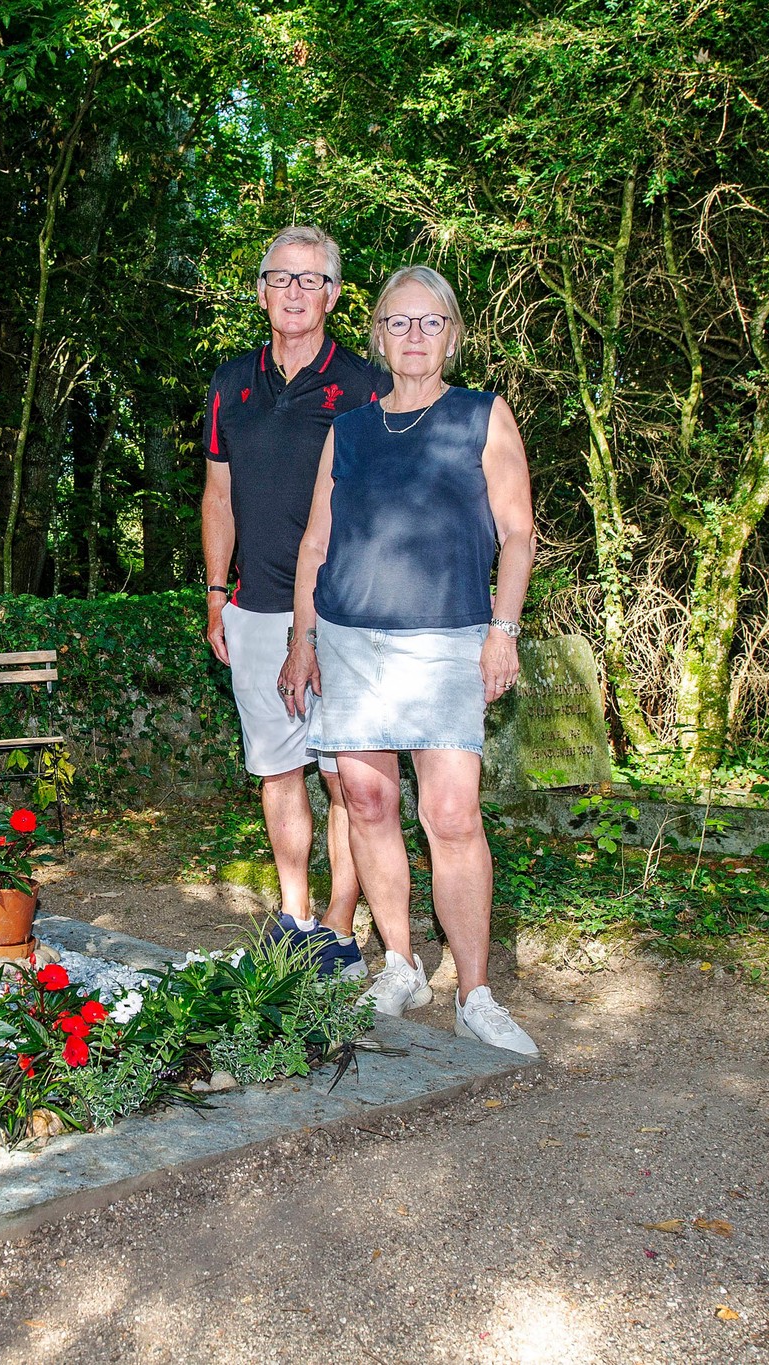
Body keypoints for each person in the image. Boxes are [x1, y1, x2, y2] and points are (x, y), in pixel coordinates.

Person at [276, 264, 539, 1054]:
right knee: (366, 804)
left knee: (452, 814)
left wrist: (504, 629)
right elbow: (316, 542)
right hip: (350, 641)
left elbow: (519, 534)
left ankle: (477, 992)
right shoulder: (347, 430)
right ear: (379, 336)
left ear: (451, 335)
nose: (414, 336)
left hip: (448, 638)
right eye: (398, 322)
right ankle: (399, 962)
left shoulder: (482, 417)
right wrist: (302, 638)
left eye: (429, 323)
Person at [201, 225, 386, 978]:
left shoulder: (368, 387)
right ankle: (294, 915)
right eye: (283, 278)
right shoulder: (229, 385)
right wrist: (216, 594)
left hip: (342, 614)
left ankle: (340, 928)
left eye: (312, 280)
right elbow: (217, 495)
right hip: (254, 611)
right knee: (279, 772)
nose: (296, 292)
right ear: (261, 291)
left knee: (346, 776)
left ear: (335, 295)